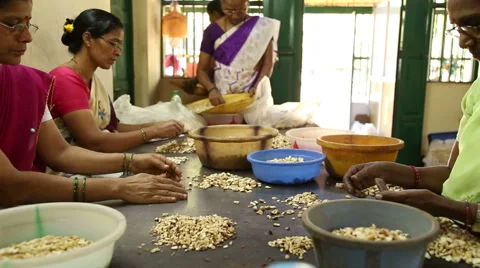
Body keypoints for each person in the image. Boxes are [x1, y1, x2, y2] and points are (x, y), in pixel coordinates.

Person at [0, 0, 187, 207]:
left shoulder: (28, 82)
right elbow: (9, 185)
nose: (26, 36)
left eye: (27, 24)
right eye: (11, 23)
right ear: (87, 39)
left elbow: (61, 152)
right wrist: (119, 186)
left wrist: (133, 162)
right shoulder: (63, 79)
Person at [342, 0, 480, 230]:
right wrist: (392, 171)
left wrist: (450, 208)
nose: (463, 42)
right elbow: (451, 174)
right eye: (458, 28)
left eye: (474, 23)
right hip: (454, 229)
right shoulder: (477, 88)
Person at [48, 9, 184, 153]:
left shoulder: (93, 80)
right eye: (113, 43)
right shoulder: (65, 79)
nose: (118, 52)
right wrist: (152, 132)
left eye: (119, 45)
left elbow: (112, 128)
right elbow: (94, 141)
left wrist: (157, 126)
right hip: (66, 172)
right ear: (87, 39)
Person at [197, 0, 280, 106]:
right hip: (223, 96)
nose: (235, 16)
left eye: (241, 10)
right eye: (229, 11)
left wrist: (258, 86)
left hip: (253, 96)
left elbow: (268, 63)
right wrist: (212, 89)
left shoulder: (261, 28)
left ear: (247, 5)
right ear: (222, 5)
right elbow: (201, 70)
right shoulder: (212, 31)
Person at [170, 0, 224, 96]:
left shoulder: (212, 31)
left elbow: (206, 65)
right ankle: (191, 83)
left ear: (215, 14)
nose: (210, 19)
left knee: (202, 87)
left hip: (218, 74)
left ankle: (190, 84)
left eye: (209, 15)